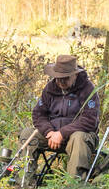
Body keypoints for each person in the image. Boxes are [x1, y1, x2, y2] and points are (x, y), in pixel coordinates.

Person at [20, 54, 100, 182]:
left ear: (75, 75)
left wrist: (62, 133)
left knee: (79, 137)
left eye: (65, 78)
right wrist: (50, 132)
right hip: (52, 136)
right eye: (58, 78)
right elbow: (38, 114)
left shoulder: (88, 89)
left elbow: (90, 120)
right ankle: (24, 183)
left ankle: (73, 187)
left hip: (78, 138)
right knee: (28, 134)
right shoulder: (50, 88)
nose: (61, 82)